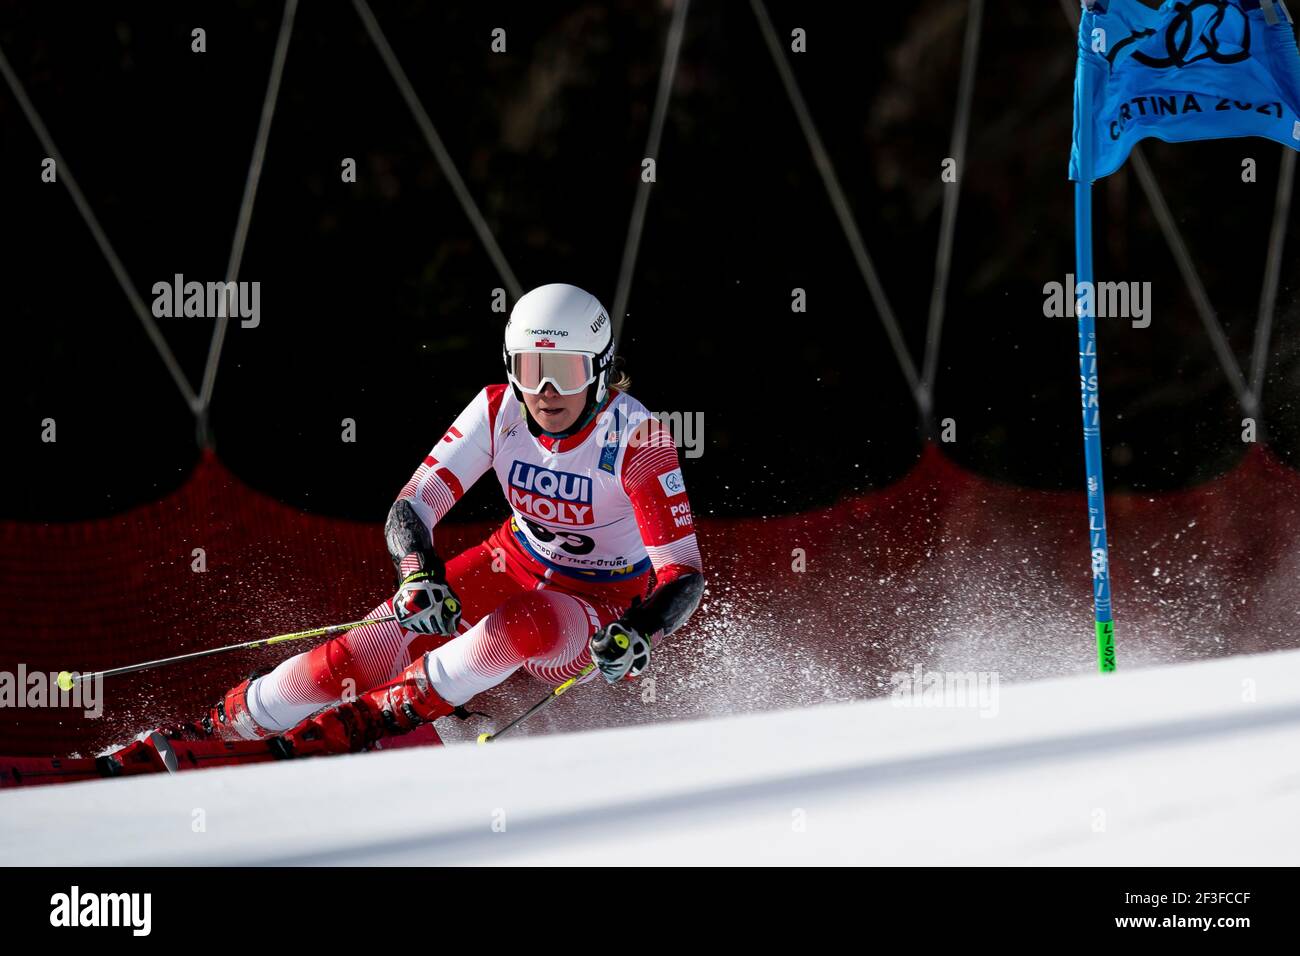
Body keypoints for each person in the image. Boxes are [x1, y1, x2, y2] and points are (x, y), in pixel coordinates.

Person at [201, 283, 704, 755]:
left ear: (599, 369)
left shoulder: (639, 438)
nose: (547, 391)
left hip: (600, 603)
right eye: (531, 370)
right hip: (512, 561)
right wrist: (417, 574)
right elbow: (412, 505)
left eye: (565, 373)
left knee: (522, 624)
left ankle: (370, 721)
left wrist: (642, 630)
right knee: (358, 654)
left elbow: (682, 575)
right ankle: (223, 727)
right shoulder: (496, 409)